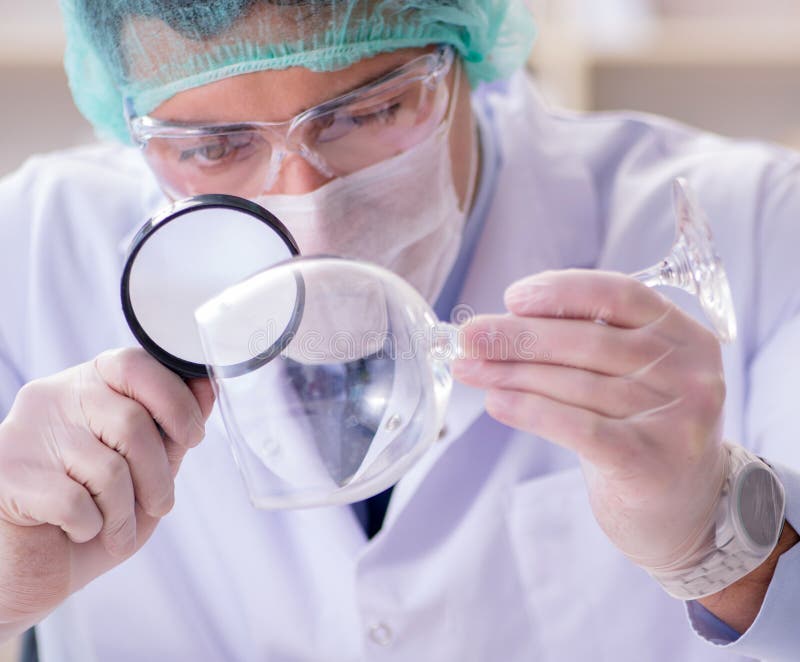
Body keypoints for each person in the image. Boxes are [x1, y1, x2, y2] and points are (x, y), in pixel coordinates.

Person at [0, 1, 798, 660]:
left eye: (372, 110)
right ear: (135, 123)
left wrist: (721, 545)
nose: (305, 204)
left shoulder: (764, 224)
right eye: (212, 149)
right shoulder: (34, 248)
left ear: (461, 51)